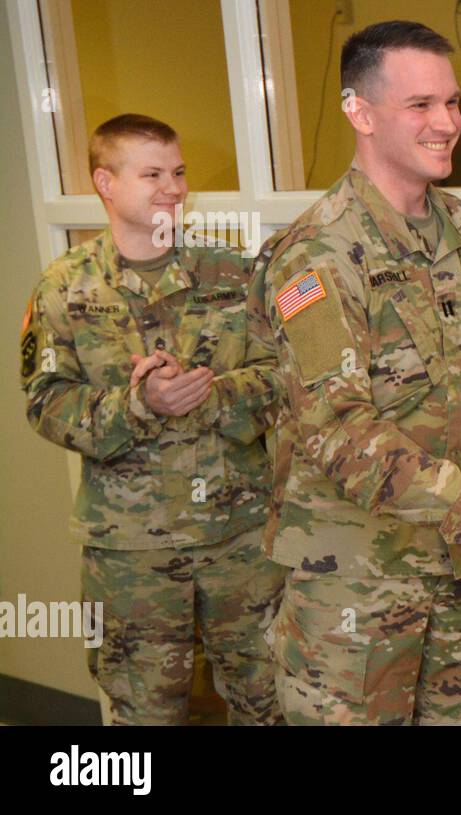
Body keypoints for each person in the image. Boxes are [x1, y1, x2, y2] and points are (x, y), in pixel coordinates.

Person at [250, 20, 461, 725]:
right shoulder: (315, 255)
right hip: (355, 596)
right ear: (360, 111)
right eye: (420, 106)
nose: (446, 123)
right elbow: (339, 433)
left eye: (452, 103)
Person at [20, 114, 285, 725]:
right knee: (144, 717)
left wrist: (213, 395)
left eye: (179, 171)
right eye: (152, 174)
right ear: (105, 183)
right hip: (131, 551)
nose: (173, 187)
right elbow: (46, 402)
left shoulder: (234, 274)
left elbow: (286, 379)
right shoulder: (63, 287)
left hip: (239, 536)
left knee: (269, 703)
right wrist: (139, 405)